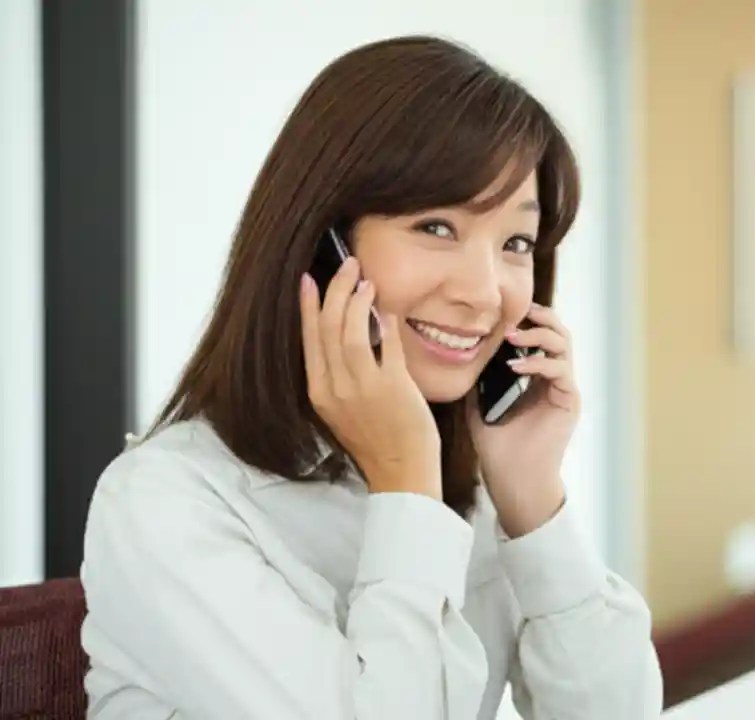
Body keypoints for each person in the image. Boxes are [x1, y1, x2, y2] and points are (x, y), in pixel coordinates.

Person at [79, 36, 662, 719]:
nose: (484, 292)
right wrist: (407, 486)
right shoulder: (166, 503)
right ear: (323, 250)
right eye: (437, 226)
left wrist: (534, 500)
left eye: (515, 244)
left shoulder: (466, 494)